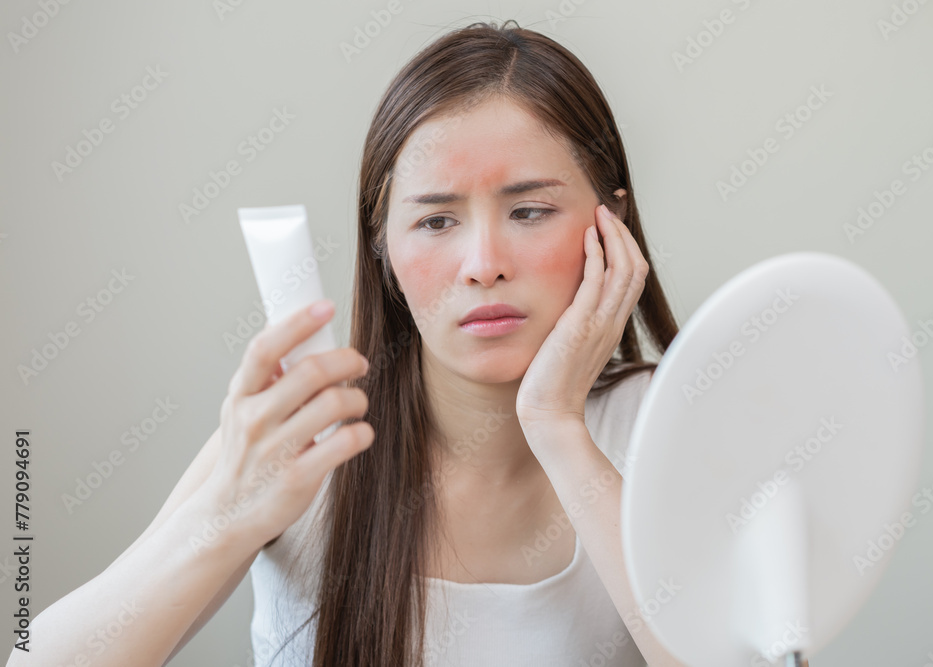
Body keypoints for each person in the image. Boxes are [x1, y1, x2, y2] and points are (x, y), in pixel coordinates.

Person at [7, 19, 701, 667]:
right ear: (383, 245)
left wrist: (556, 424)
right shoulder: (301, 435)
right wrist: (228, 515)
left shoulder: (663, 423)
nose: (483, 262)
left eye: (529, 211)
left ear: (612, 224)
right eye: (435, 221)